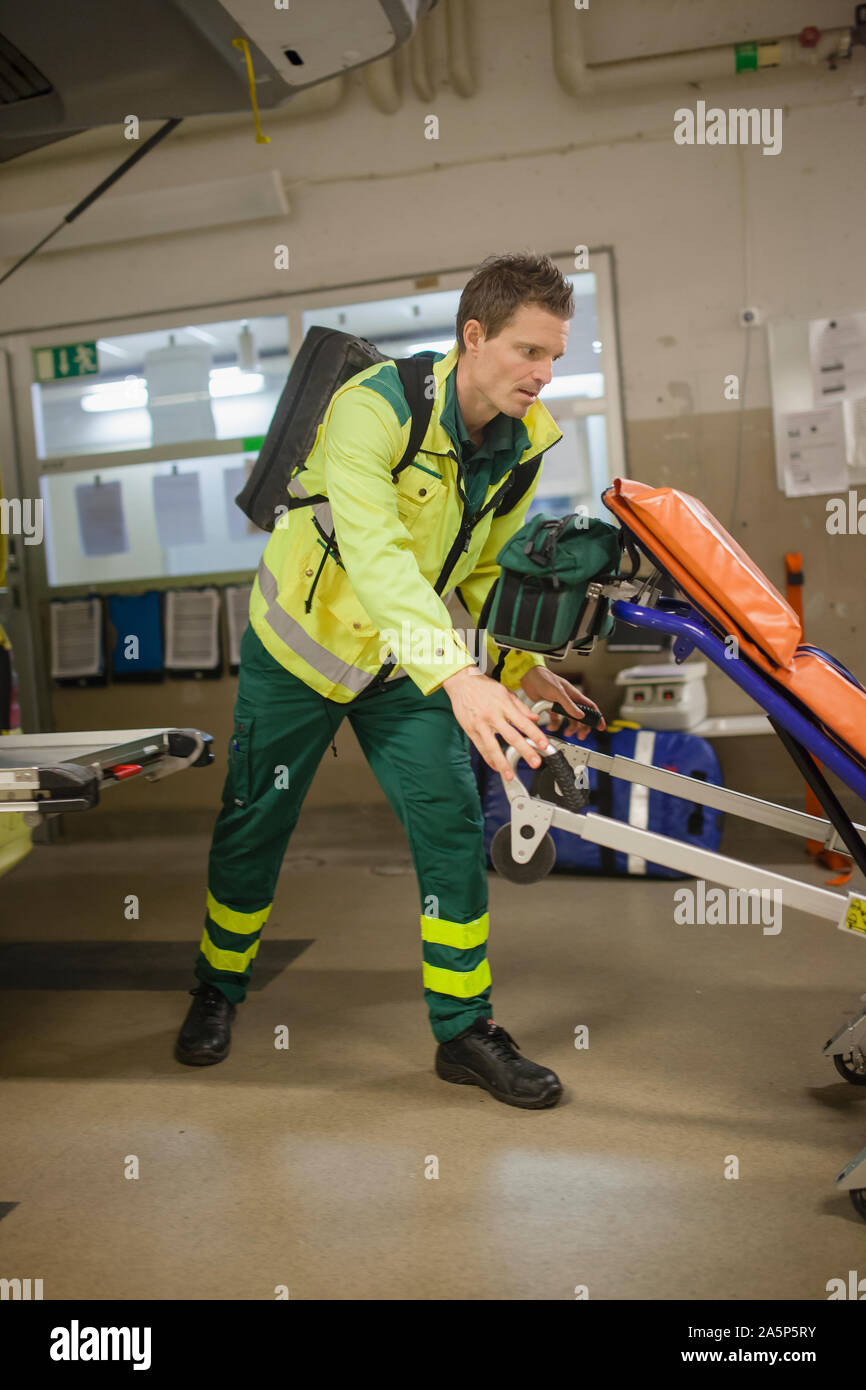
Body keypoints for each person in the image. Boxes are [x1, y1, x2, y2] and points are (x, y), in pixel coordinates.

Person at [175, 250, 606, 1108]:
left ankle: (463, 1030)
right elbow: (375, 554)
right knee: (255, 823)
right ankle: (216, 990)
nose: (544, 372)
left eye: (555, 354)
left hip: (403, 663)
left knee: (449, 823)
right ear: (473, 337)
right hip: (301, 650)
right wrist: (460, 675)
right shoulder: (370, 411)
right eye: (529, 351)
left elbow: (480, 570)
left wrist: (520, 665)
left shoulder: (525, 444)